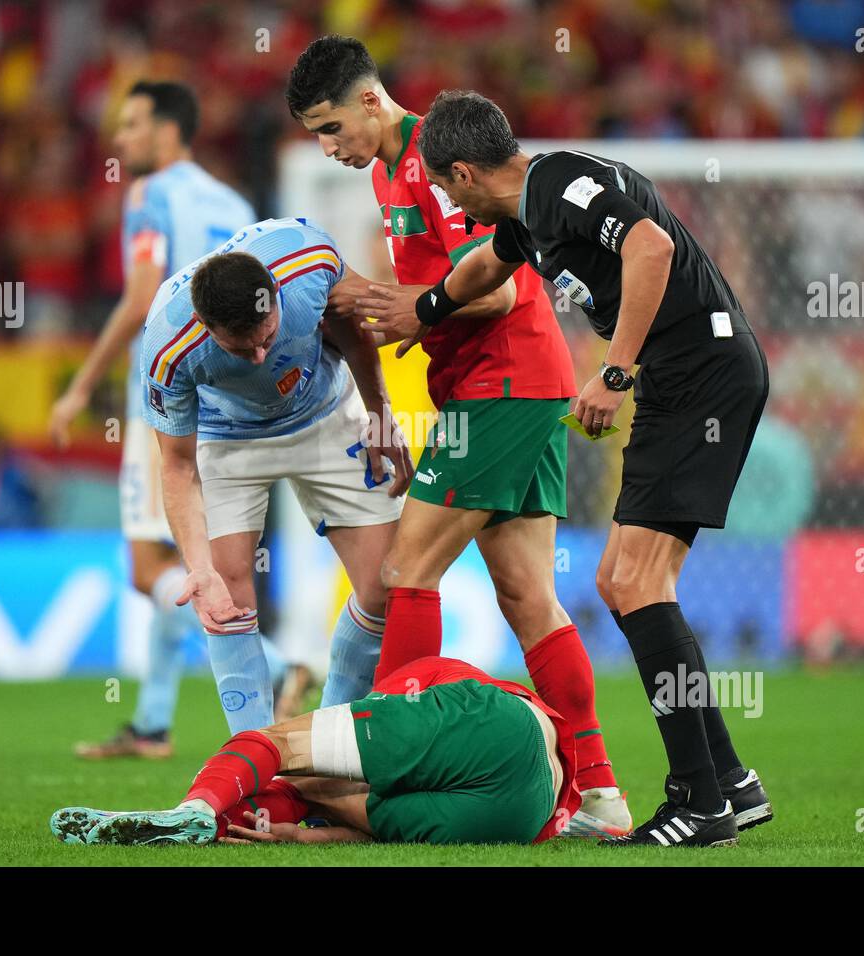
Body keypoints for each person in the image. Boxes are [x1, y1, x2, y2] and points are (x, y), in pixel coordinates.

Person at [373, 90, 773, 847]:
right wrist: (420, 312)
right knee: (620, 582)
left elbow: (649, 248)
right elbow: (484, 267)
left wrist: (615, 371)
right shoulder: (529, 212)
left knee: (634, 583)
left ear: (461, 173)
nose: (447, 204)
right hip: (683, 380)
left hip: (701, 377)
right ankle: (729, 781)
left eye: (444, 188)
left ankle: (699, 799)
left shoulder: (560, 183)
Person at [284, 35, 628, 838]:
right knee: (527, 598)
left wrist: (403, 302)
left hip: (503, 384)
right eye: (316, 137)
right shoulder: (384, 169)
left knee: (407, 570)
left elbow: (500, 292)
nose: (330, 149)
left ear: (372, 101)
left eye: (333, 128)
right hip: (511, 388)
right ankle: (602, 797)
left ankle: (400, 762)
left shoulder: (435, 163)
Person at [45, 82, 267, 759]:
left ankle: (281, 666)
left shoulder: (149, 194)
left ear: (170, 131)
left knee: (148, 568)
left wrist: (82, 385)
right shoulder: (234, 203)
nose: (120, 140)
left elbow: (143, 296)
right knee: (184, 554)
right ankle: (151, 724)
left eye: (133, 125)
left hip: (168, 394)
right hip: (230, 399)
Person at [139, 216, 413, 735]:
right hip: (228, 438)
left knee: (384, 588)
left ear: (276, 295)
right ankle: (257, 763)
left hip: (329, 416)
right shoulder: (166, 344)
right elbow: (176, 465)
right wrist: (198, 567)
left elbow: (352, 332)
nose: (261, 356)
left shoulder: (307, 261)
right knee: (225, 597)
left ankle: (325, 739)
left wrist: (380, 413)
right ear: (203, 323)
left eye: (266, 337)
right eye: (242, 350)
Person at [50, 651, 586, 847]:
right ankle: (206, 830)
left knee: (274, 746)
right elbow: (364, 827)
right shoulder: (432, 696)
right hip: (524, 815)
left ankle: (193, 809)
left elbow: (301, 755)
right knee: (323, 796)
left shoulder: (405, 684)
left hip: (506, 734)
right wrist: (300, 838)